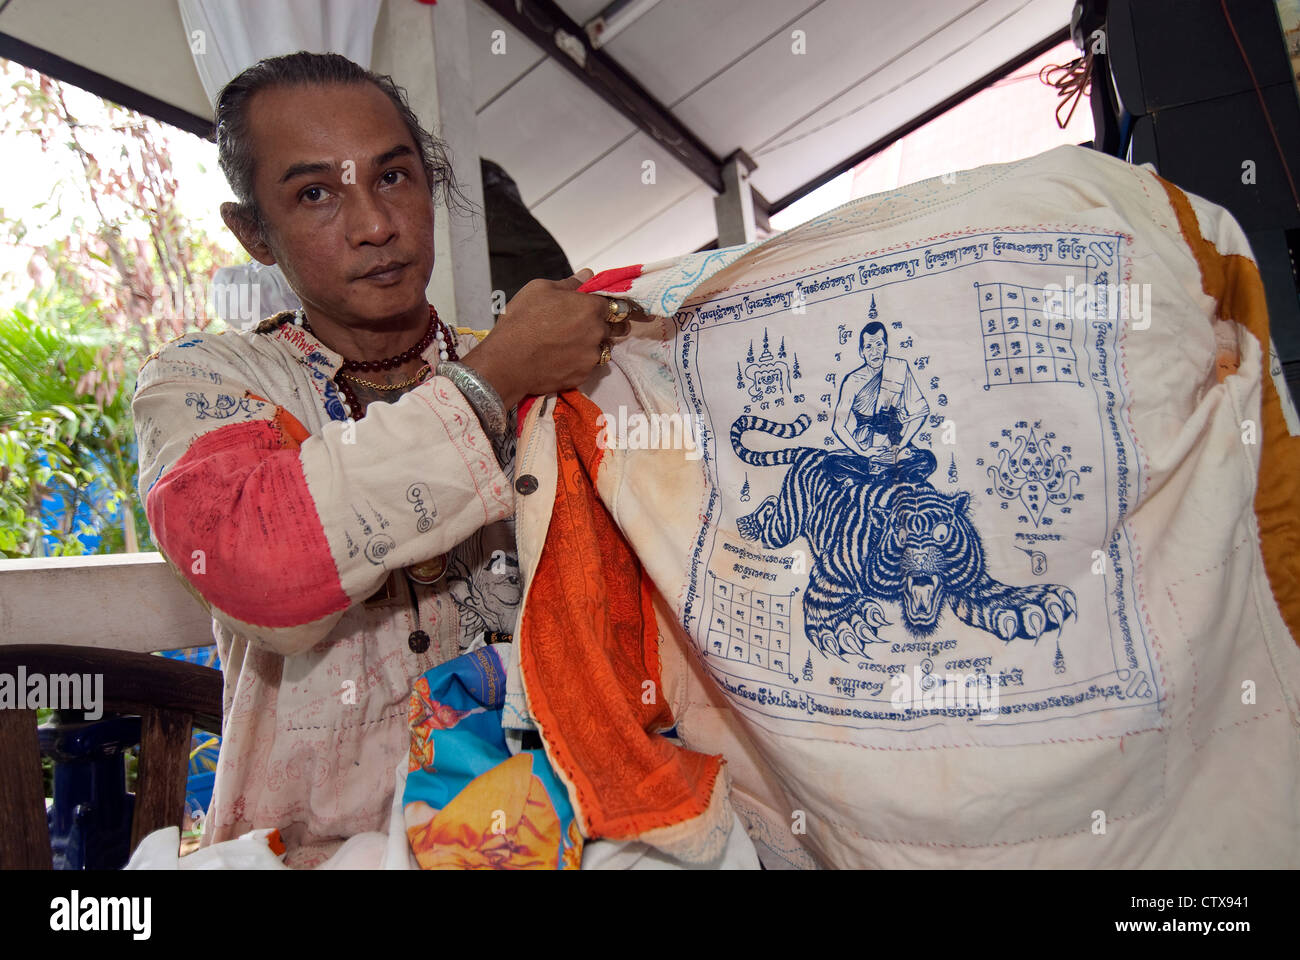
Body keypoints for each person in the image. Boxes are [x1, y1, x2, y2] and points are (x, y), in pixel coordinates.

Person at [131, 51, 636, 867]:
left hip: (552, 832)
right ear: (252, 232)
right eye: (316, 194)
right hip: (320, 848)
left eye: (394, 177)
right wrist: (494, 380)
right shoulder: (205, 383)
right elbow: (262, 567)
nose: (373, 224)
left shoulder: (543, 372)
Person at [830, 320, 936, 484]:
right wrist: (863, 452)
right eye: (869, 347)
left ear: (886, 346)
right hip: (867, 447)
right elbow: (838, 426)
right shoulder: (852, 381)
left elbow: (919, 412)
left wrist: (901, 446)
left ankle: (876, 475)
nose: (875, 351)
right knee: (830, 463)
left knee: (928, 460)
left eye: (879, 344)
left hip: (895, 442)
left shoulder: (898, 368)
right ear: (861, 352)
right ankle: (884, 472)